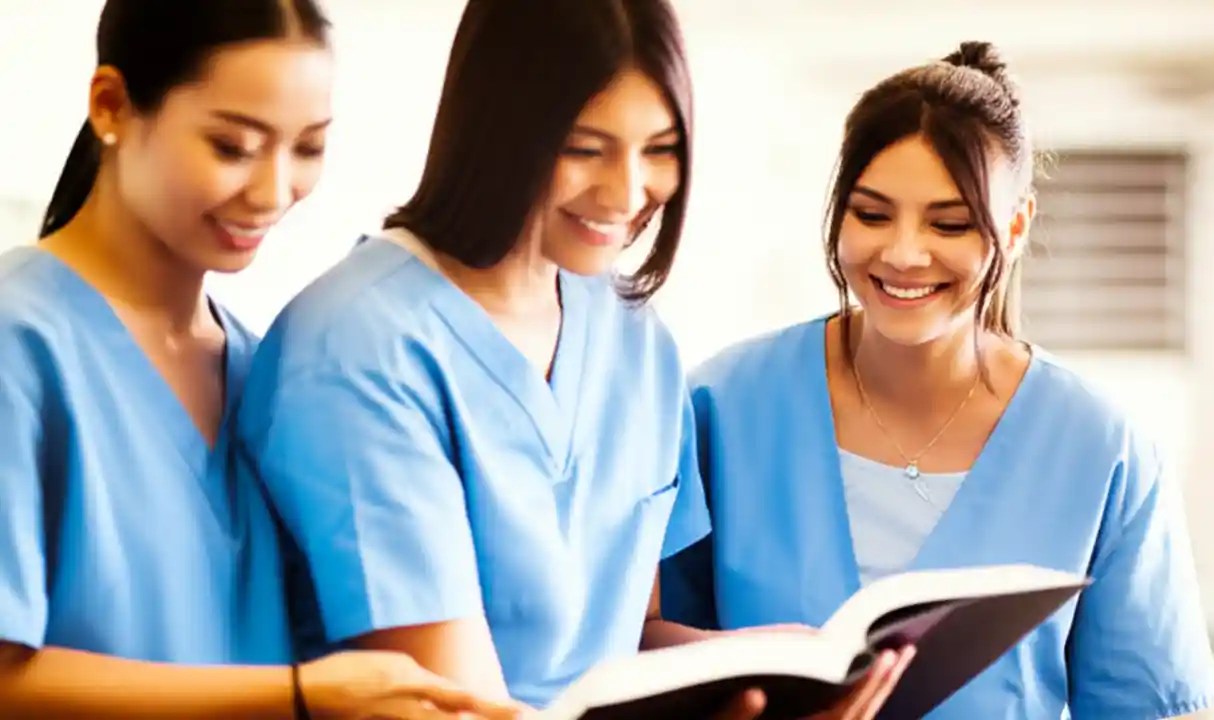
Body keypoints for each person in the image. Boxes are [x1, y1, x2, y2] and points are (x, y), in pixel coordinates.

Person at [233, 1, 910, 717]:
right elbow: (457, 707)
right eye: (585, 148)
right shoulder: (358, 349)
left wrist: (773, 670)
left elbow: (628, 642)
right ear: (497, 131)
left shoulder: (636, 341)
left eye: (658, 148)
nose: (626, 192)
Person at [660, 41, 1214, 719]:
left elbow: (1146, 704)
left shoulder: (1102, 447)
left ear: (1014, 229)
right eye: (871, 214)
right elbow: (645, 658)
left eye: (949, 223)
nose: (903, 253)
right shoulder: (721, 407)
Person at [0, 1, 526, 718]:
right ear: (113, 106)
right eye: (232, 146)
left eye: (307, 148)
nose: (274, 193)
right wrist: (298, 696)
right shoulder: (21, 345)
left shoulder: (268, 371)